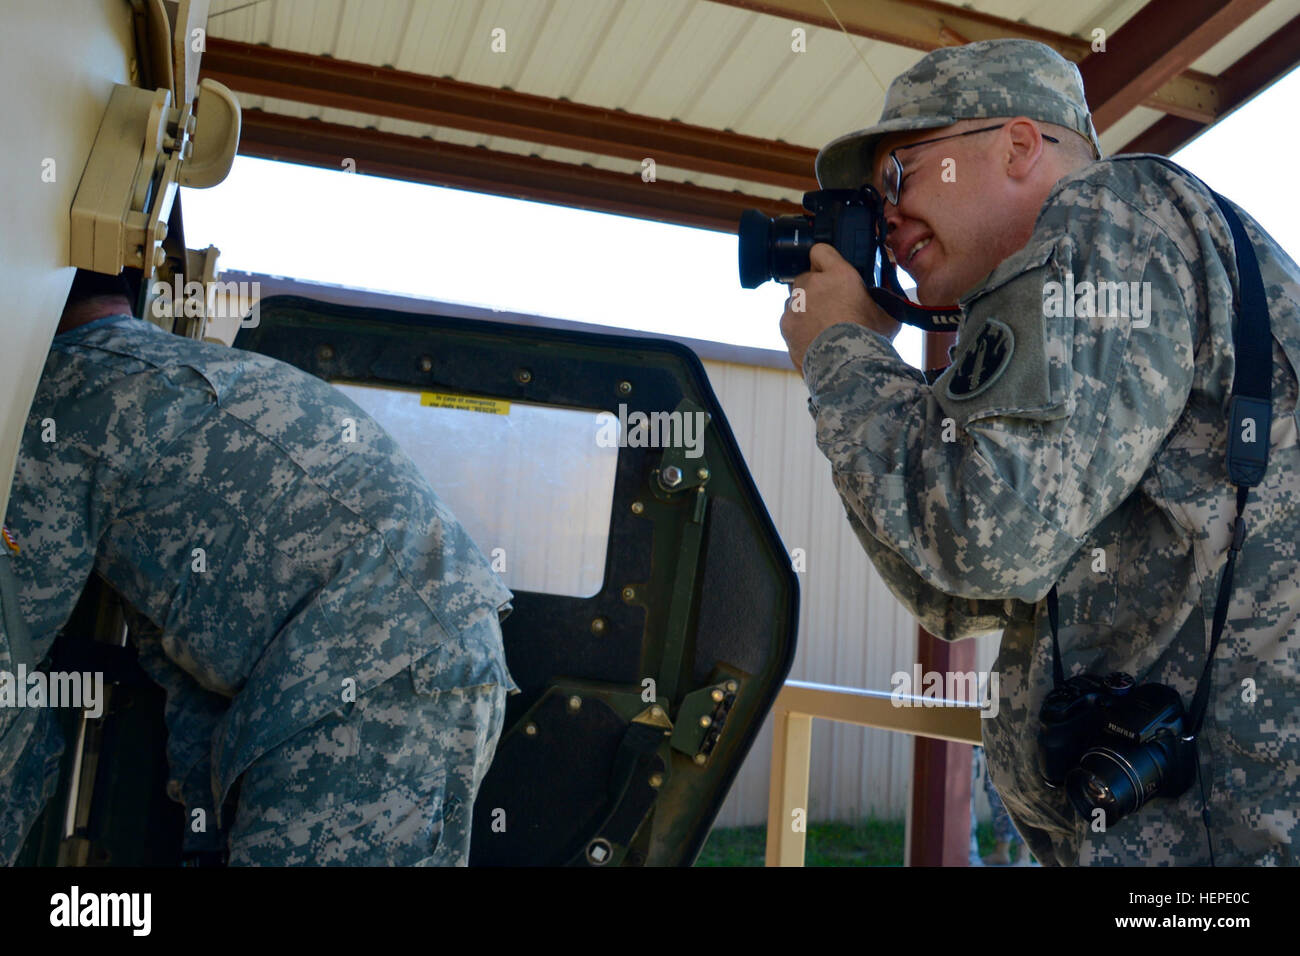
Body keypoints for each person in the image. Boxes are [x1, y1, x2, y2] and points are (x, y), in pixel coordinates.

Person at [779, 39, 1300, 865]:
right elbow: (957, 595)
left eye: (898, 175)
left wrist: (841, 352)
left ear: (1018, 145)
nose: (885, 214)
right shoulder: (1072, 293)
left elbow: (984, 539)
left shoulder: (1112, 215)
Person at [0, 268, 517, 865]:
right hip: (413, 665)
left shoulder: (65, 396)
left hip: (377, 675)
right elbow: (192, 648)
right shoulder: (186, 374)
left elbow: (9, 663)